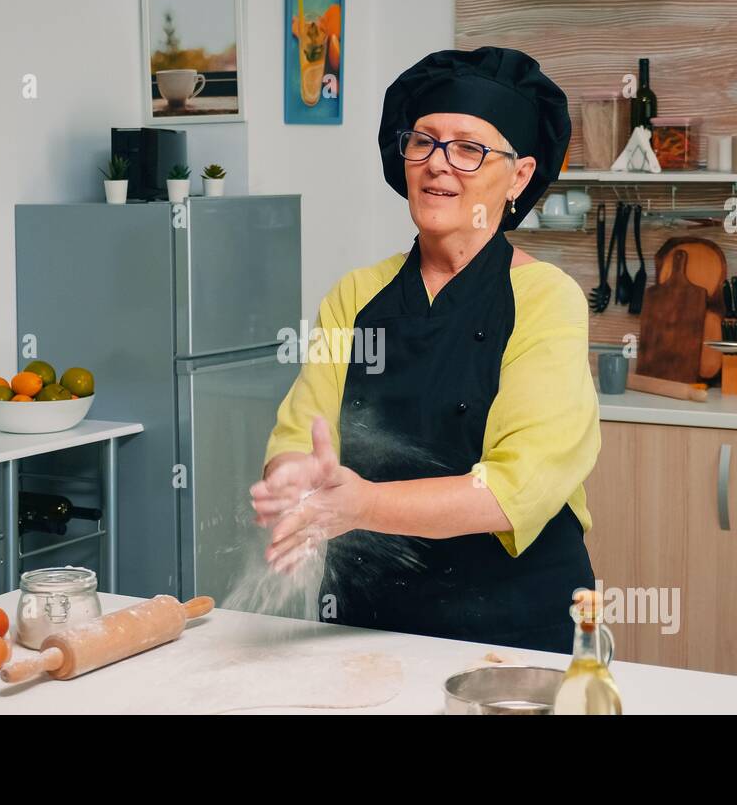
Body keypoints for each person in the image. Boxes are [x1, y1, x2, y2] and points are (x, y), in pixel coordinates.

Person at [250, 47, 600, 652]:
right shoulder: (355, 295)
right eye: (425, 141)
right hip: (368, 619)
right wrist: (295, 478)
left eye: (469, 148)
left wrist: (361, 505)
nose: (439, 165)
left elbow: (518, 486)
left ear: (518, 177)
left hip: (513, 624)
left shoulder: (546, 298)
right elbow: (298, 432)